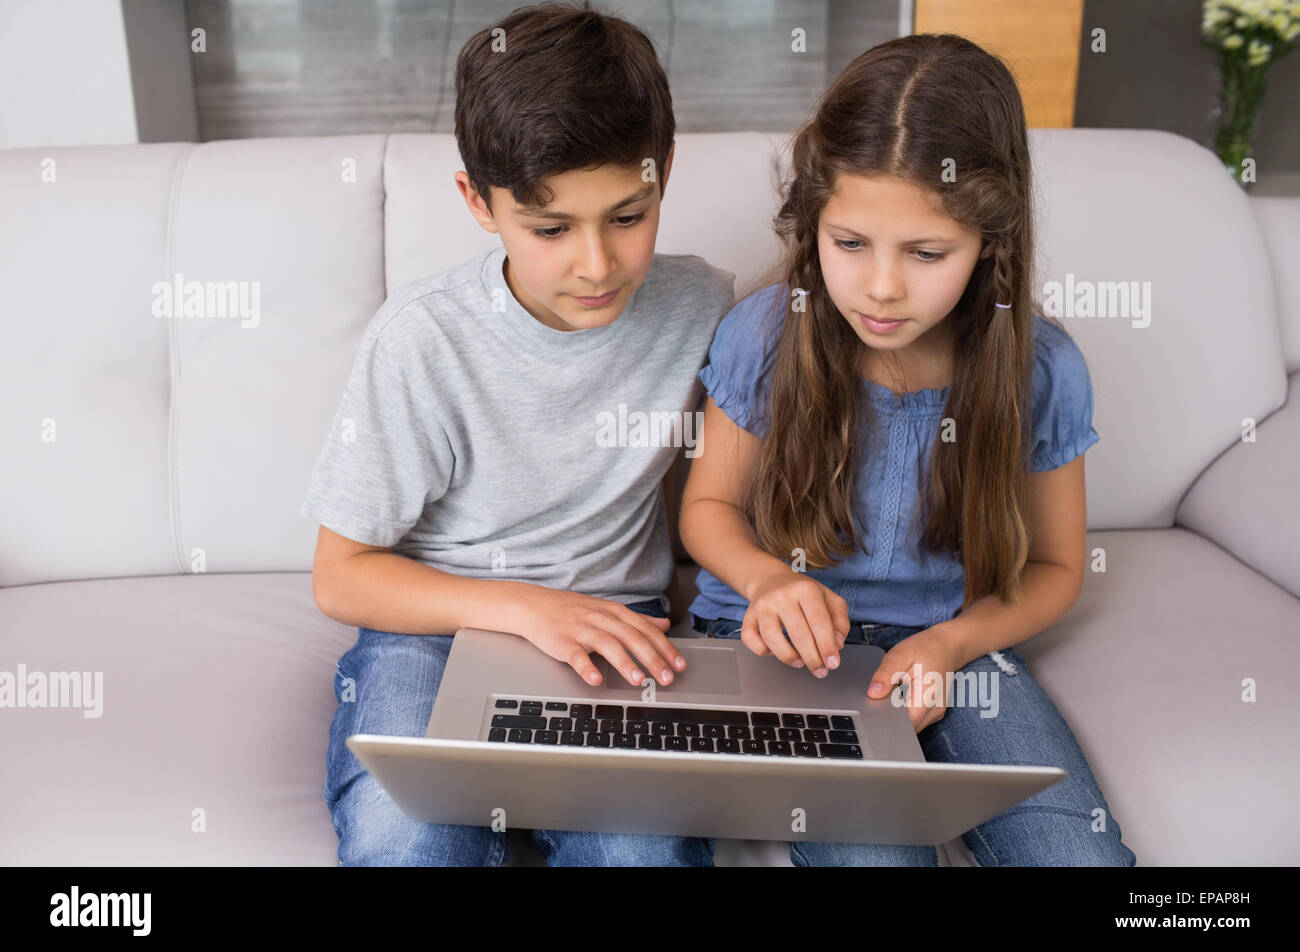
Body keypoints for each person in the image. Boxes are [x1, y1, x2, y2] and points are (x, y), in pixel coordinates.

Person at [679, 33, 1136, 867]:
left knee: (1083, 857)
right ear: (812, 219)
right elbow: (707, 510)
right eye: (848, 243)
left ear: (991, 241)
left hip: (952, 646)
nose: (881, 287)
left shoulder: (1043, 370)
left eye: (927, 254)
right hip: (774, 642)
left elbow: (1056, 569)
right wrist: (770, 581)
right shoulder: (764, 334)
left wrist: (948, 646)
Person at [302, 2, 733, 866]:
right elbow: (340, 576)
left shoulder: (708, 308)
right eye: (549, 229)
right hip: (433, 635)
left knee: (642, 853)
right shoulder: (422, 338)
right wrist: (525, 608)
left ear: (664, 174)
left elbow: (712, 500)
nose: (596, 264)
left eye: (627, 215)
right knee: (407, 836)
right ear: (476, 201)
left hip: (618, 632)